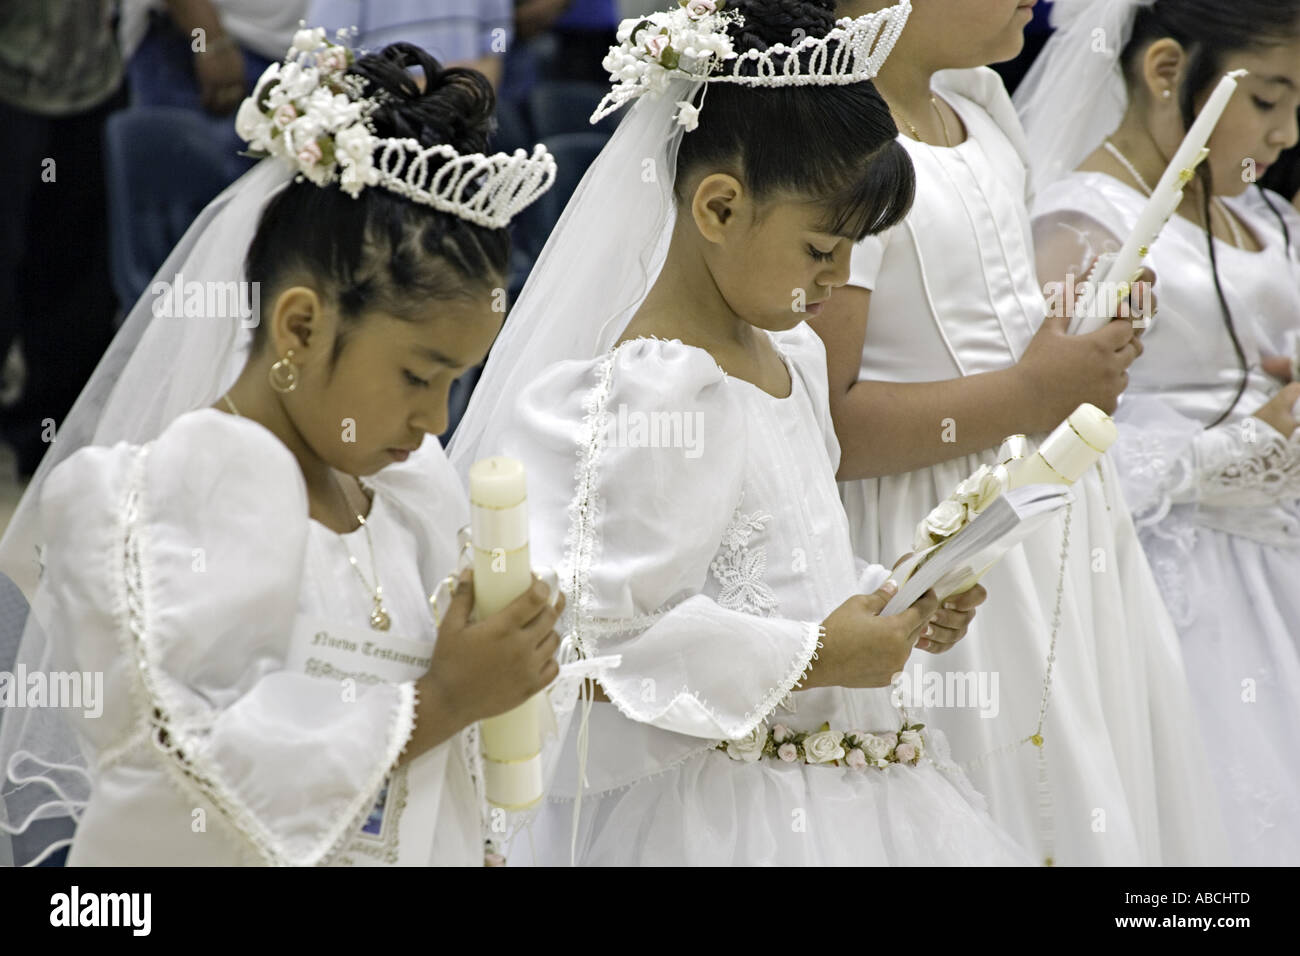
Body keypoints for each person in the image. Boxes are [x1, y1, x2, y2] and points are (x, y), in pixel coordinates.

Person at [449, 0, 1030, 866]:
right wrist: (813, 655)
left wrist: (888, 596)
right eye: (821, 249)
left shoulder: (789, 354)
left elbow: (778, 563)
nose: (838, 278)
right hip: (727, 814)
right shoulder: (652, 394)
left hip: (856, 793)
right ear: (718, 208)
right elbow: (593, 648)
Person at [0, 34, 561, 866]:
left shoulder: (410, 495)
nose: (437, 420)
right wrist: (439, 698)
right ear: (301, 324)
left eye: (456, 382)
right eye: (418, 375)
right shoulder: (185, 489)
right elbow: (180, 772)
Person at [814, 0, 1227, 865]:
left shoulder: (979, 111)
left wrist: (1077, 331)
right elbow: (829, 423)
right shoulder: (840, 145)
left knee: (1094, 761)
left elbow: (998, 323)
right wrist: (1034, 391)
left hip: (1056, 518)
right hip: (936, 540)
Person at [1023, 0, 1300, 865]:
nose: (1288, 133)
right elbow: (1042, 455)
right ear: (1167, 71)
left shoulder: (1264, 222)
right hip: (1180, 577)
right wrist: (1240, 444)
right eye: (1267, 101)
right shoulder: (1085, 227)